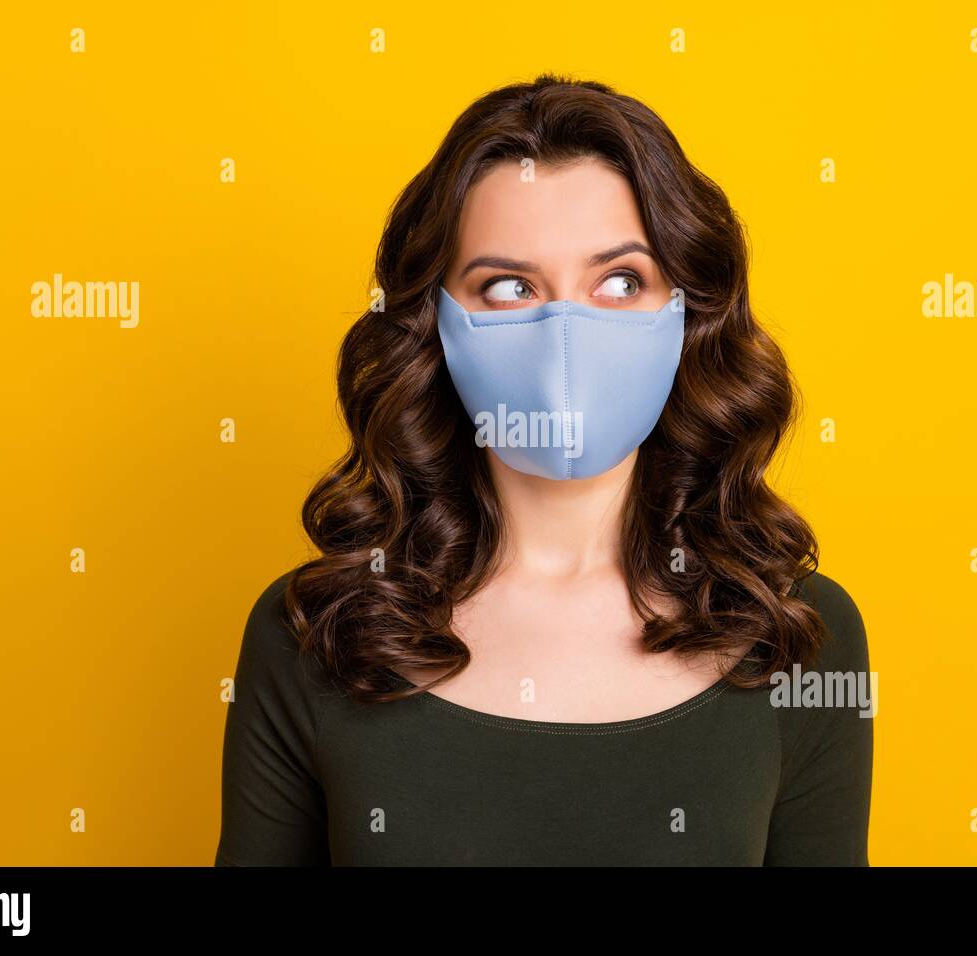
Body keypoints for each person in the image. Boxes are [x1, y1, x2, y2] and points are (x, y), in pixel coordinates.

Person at [214, 73, 873, 866]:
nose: (566, 329)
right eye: (509, 286)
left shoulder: (796, 635)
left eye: (621, 282)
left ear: (687, 312)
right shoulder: (316, 634)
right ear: (434, 323)